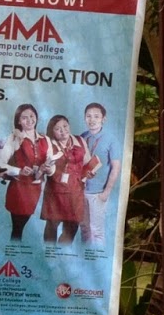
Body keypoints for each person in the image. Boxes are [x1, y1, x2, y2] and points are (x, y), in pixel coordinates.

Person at [40, 114, 97, 245]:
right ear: (52, 132)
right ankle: (49, 254)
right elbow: (44, 166)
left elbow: (87, 163)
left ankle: (62, 255)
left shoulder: (80, 141)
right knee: (52, 224)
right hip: (55, 191)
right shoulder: (49, 144)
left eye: (65, 126)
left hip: (75, 190)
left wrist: (90, 172)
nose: (63, 130)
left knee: (72, 225)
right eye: (57, 128)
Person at [3, 103, 47, 242]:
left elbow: (51, 162)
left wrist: (45, 168)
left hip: (35, 188)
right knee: (17, 229)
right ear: (18, 121)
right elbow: (1, 164)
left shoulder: (44, 139)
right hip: (18, 190)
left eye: (32, 116)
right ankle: (13, 255)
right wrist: (19, 170)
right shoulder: (14, 138)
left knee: (21, 228)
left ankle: (14, 253)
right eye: (24, 117)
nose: (29, 120)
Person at [80, 102, 120, 245]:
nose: (92, 120)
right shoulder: (82, 137)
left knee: (96, 230)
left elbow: (116, 167)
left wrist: (106, 192)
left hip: (98, 192)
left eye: (96, 116)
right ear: (84, 118)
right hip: (81, 190)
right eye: (88, 116)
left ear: (104, 119)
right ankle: (85, 262)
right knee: (84, 229)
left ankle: (97, 263)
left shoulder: (111, 139)